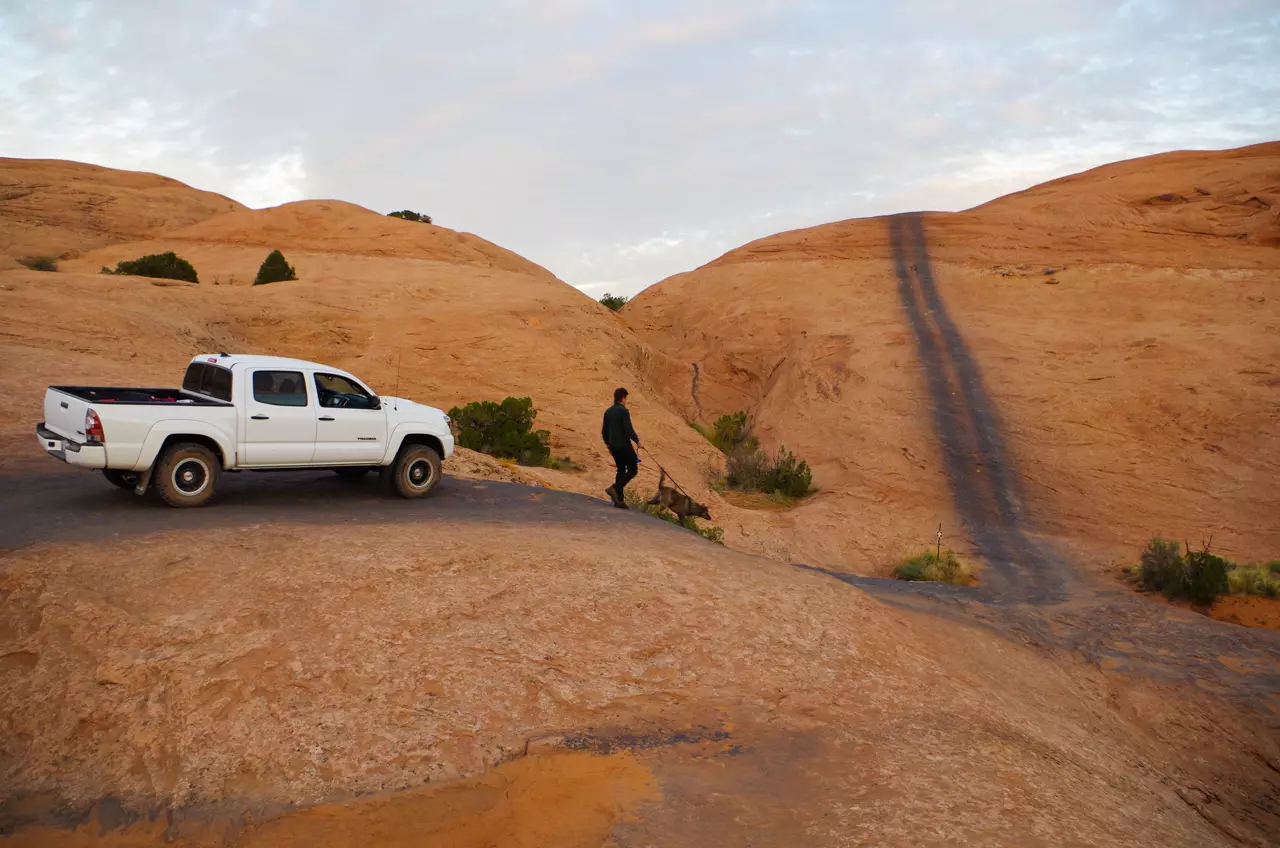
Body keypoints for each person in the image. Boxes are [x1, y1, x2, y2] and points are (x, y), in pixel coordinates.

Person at [602, 387, 640, 508]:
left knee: (621, 469)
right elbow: (628, 429)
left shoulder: (608, 411)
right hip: (624, 445)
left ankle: (619, 500)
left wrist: (608, 443)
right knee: (633, 469)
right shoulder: (623, 411)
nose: (626, 400)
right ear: (623, 398)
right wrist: (637, 441)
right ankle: (614, 488)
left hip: (613, 446)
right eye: (626, 398)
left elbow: (604, 431)